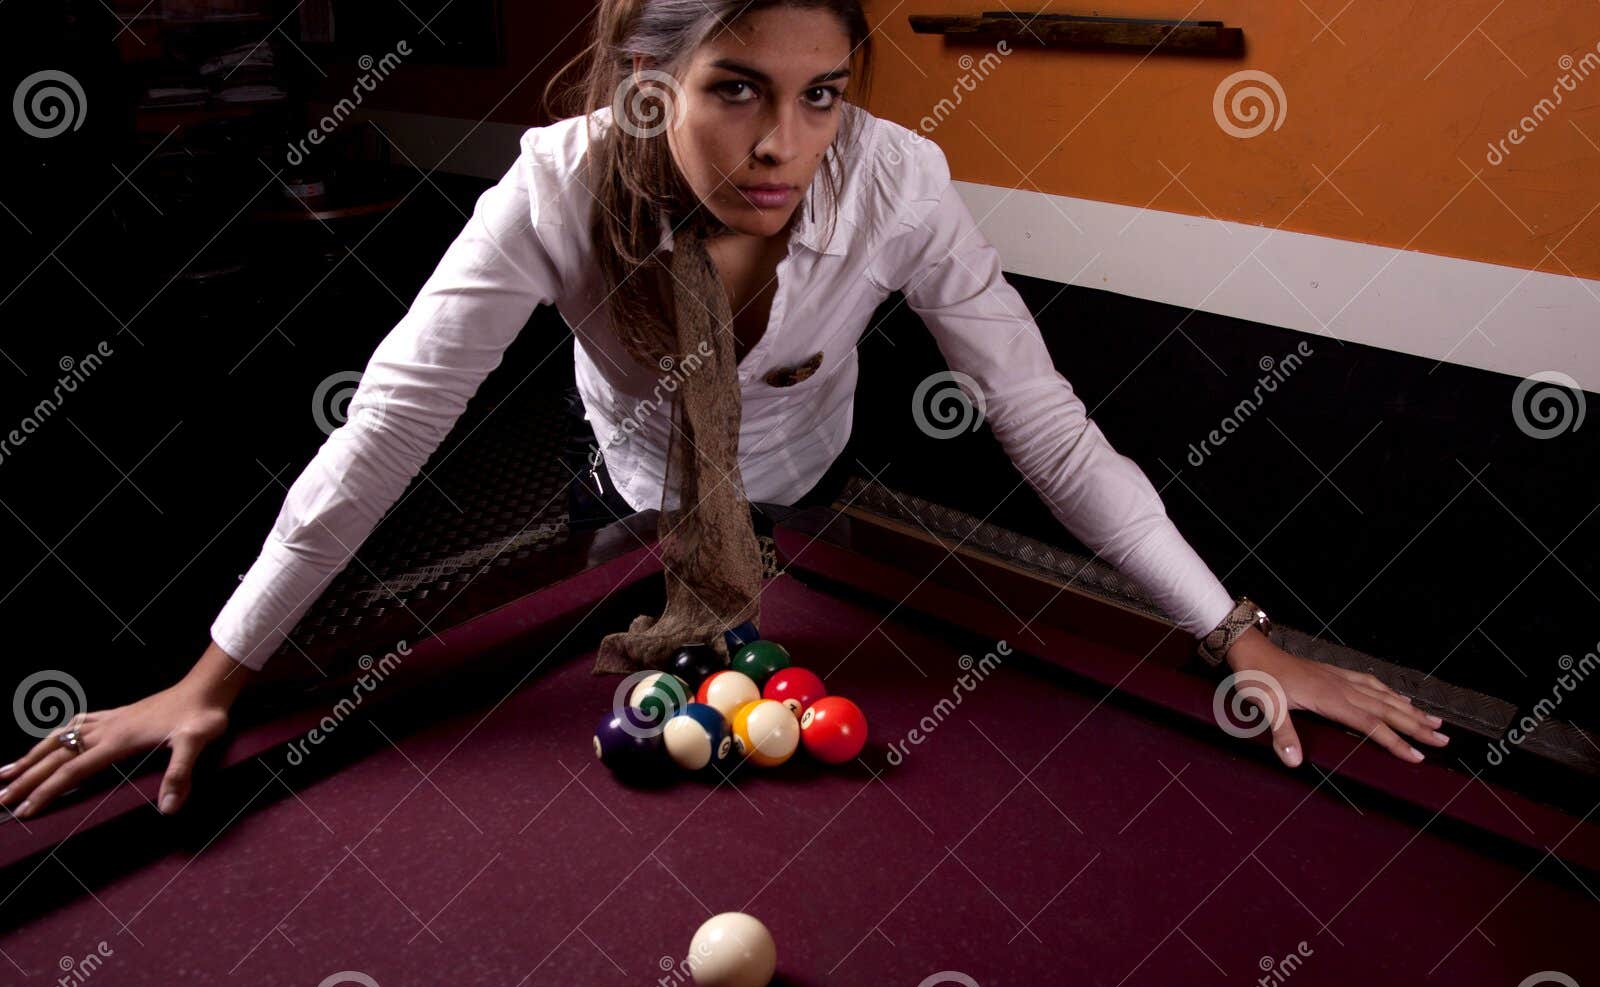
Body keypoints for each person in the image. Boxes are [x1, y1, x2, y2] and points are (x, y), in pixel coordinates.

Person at [0, 0, 1447, 819]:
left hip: (817, 509)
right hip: (621, 514)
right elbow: (386, 430)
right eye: (737, 90)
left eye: (823, 97)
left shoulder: (898, 181)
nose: (783, 146)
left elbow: (1048, 423)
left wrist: (1238, 635)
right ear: (647, 81)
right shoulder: (554, 187)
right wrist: (218, 676)